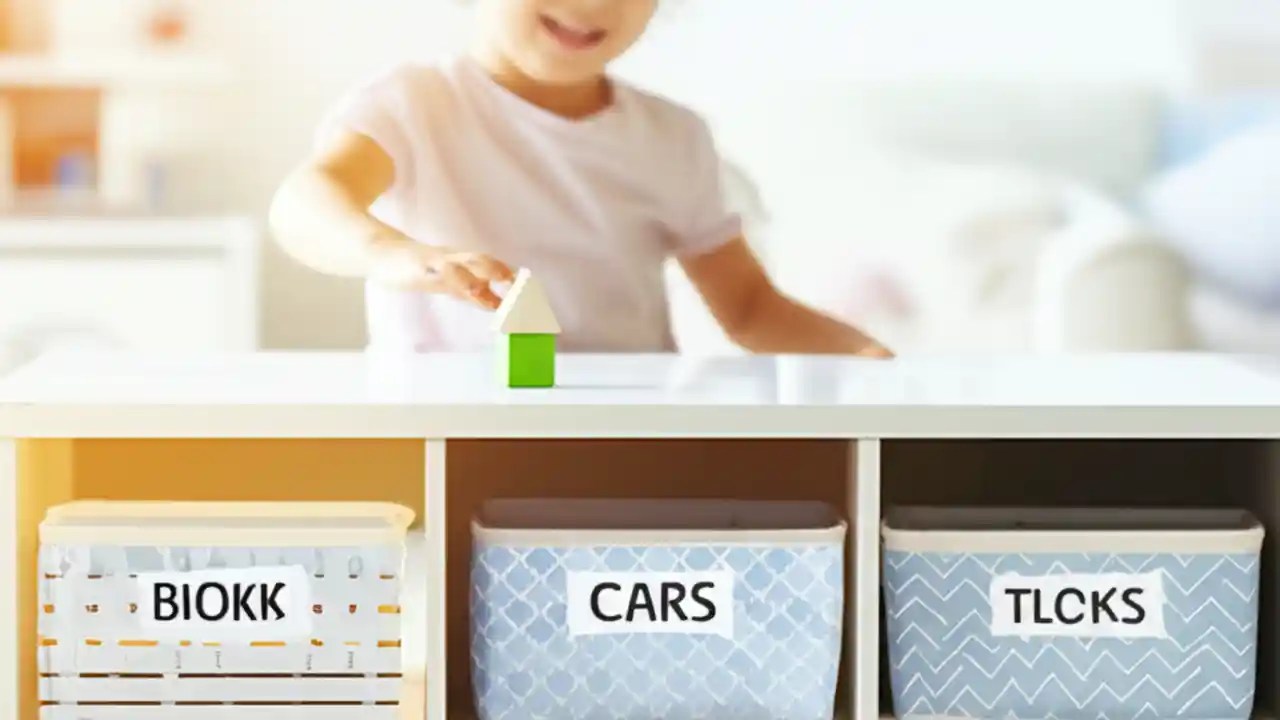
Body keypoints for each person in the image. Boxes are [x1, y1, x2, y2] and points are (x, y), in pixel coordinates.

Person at [270, 0, 892, 357]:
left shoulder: (674, 137)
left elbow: (751, 308)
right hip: (447, 434)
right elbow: (306, 203)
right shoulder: (413, 102)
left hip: (621, 439)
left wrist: (871, 360)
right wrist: (393, 253)